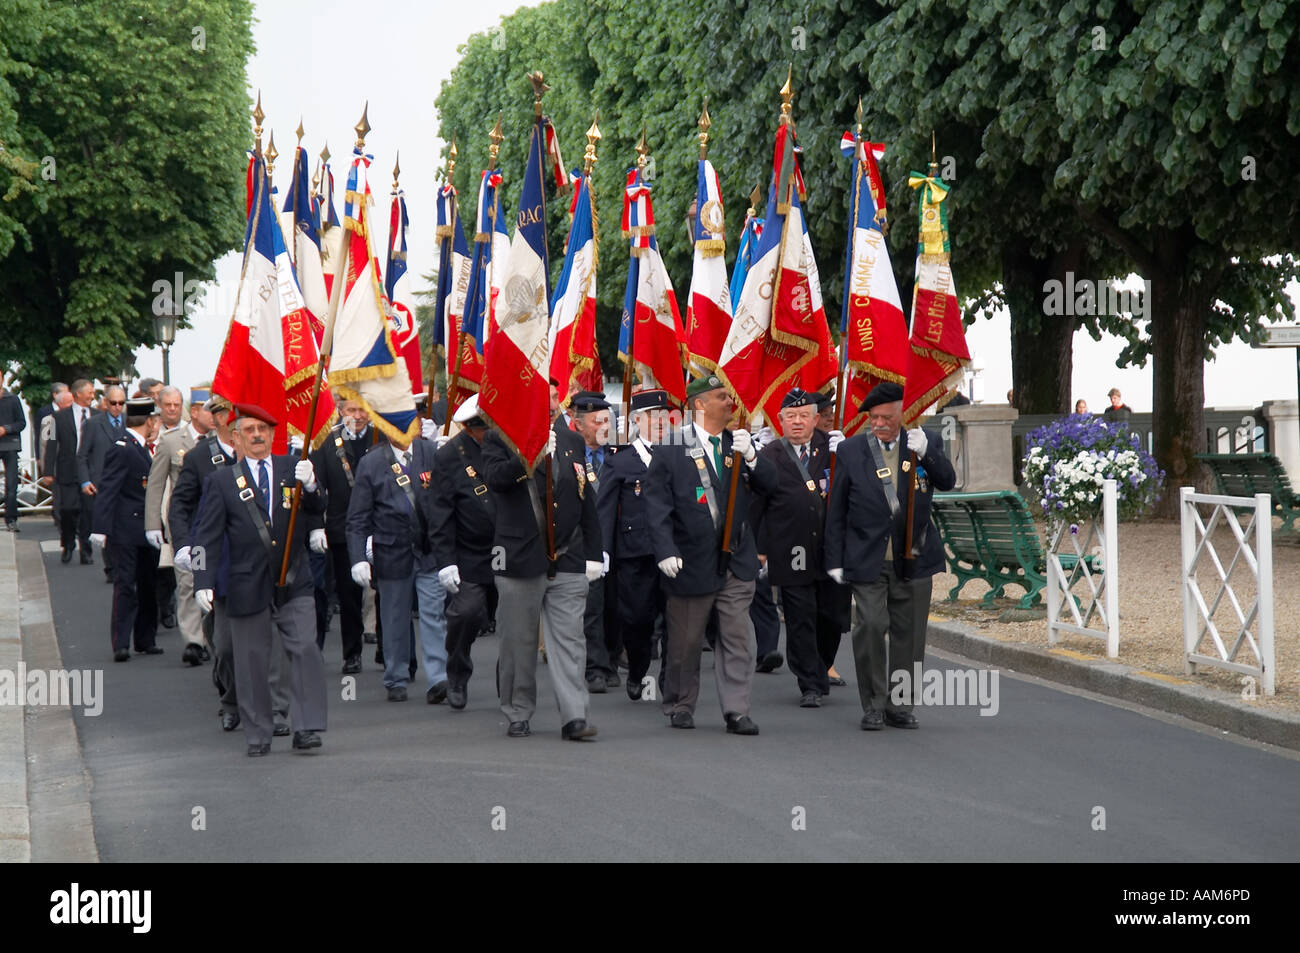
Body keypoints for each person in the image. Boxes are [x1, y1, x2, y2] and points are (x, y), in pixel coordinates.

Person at [191, 403, 328, 757]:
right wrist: (203, 580)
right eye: (249, 430)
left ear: (272, 435)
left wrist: (311, 485)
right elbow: (207, 535)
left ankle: (306, 726)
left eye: (263, 430)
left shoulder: (291, 469)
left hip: (293, 578)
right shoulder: (221, 481)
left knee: (305, 649)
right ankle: (258, 733)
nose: (257, 436)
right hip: (246, 581)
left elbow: (316, 509)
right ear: (235, 437)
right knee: (251, 660)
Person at [643, 374, 778, 735]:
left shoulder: (738, 444)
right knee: (686, 641)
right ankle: (680, 703)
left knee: (737, 637)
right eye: (721, 396)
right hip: (691, 561)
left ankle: (736, 709)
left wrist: (752, 456)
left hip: (736, 560)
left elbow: (773, 487)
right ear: (699, 404)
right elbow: (656, 505)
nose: (729, 401)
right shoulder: (672, 447)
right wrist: (665, 550)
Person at [824, 381, 956, 731]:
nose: (879, 424)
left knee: (909, 633)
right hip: (867, 556)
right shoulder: (852, 450)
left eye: (887, 417)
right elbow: (836, 508)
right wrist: (834, 559)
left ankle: (900, 705)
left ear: (903, 414)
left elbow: (948, 480)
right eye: (874, 418)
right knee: (868, 626)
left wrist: (929, 452)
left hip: (914, 554)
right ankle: (873, 704)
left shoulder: (925, 442)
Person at [172, 398, 292, 734]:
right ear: (232, 430)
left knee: (269, 644)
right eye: (243, 426)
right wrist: (190, 558)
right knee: (225, 647)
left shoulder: (274, 466)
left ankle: (273, 710)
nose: (254, 434)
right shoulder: (200, 459)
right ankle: (231, 700)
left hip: (259, 570)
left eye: (260, 428)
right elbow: (182, 509)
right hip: (221, 570)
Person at [481, 411, 603, 741]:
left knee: (571, 642)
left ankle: (575, 716)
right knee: (518, 641)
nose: (546, 404)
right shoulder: (497, 437)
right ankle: (518, 711)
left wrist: (594, 551)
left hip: (568, 554)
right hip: (519, 556)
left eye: (550, 397)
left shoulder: (572, 440)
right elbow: (495, 480)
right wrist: (528, 455)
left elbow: (584, 495)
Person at [750, 387, 849, 708]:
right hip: (789, 549)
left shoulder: (833, 449)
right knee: (799, 616)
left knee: (832, 616)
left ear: (816, 419)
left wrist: (848, 456)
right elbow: (758, 505)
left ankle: (821, 665)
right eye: (790, 416)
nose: (796, 422)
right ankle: (809, 681)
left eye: (803, 416)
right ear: (779, 420)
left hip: (832, 549)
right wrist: (759, 549)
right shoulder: (771, 456)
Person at [346, 418, 449, 704]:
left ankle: (439, 677)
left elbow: (445, 499)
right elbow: (357, 517)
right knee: (394, 617)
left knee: (433, 613)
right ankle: (396, 675)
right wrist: (358, 557)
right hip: (391, 549)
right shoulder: (372, 462)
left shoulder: (430, 452)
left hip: (428, 549)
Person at [596, 389, 673, 701]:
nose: (658, 422)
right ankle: (639, 670)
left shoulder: (679, 455)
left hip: (673, 553)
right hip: (634, 554)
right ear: (636, 421)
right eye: (650, 417)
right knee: (638, 620)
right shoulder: (620, 461)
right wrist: (603, 552)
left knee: (675, 622)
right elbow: (604, 509)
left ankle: (670, 680)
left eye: (663, 416)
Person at [431, 394, 497, 711]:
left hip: (510, 549)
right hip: (470, 554)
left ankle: (510, 685)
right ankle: (457, 675)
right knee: (466, 613)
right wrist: (446, 562)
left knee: (514, 624)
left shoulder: (508, 447)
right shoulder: (448, 456)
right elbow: (440, 512)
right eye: (485, 428)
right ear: (471, 428)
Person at [89, 397, 163, 661]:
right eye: (155, 420)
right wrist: (101, 527)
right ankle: (121, 642)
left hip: (146, 529)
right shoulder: (123, 448)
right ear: (149, 421)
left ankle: (145, 639)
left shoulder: (141, 447)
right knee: (126, 586)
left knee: (147, 585)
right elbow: (108, 488)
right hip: (126, 529)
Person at [145, 388, 213, 666]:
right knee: (188, 581)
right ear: (195, 412)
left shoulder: (227, 442)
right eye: (209, 409)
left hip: (217, 523)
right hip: (188, 523)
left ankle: (212, 636)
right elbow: (157, 483)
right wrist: (153, 524)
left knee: (213, 581)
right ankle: (194, 641)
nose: (215, 415)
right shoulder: (174, 442)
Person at [310, 394, 374, 675]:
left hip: (380, 528)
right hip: (342, 529)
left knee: (385, 592)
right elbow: (316, 490)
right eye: (351, 409)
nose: (357, 415)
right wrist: (317, 525)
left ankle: (388, 647)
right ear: (341, 410)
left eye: (362, 410)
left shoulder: (381, 438)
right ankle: (352, 653)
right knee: (348, 596)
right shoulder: (327, 442)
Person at [570, 390, 621, 693]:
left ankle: (613, 660)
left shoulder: (618, 455)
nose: (604, 426)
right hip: (584, 543)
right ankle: (595, 668)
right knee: (591, 607)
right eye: (597, 421)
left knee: (616, 607)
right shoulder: (570, 455)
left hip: (618, 542)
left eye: (607, 420)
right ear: (578, 425)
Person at [44, 379, 99, 565]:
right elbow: (51, 446)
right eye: (89, 392)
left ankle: (86, 550)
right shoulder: (58, 417)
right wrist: (47, 470)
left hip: (90, 471)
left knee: (88, 512)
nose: (93, 396)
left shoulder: (98, 416)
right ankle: (68, 545)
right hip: (67, 470)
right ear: (78, 395)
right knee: (67, 510)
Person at [78, 383, 128, 583]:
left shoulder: (129, 421)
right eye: (113, 402)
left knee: (123, 526)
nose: (117, 407)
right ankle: (111, 567)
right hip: (102, 484)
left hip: (126, 482)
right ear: (105, 403)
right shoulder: (93, 424)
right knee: (108, 526)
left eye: (121, 403)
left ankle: (123, 565)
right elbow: (82, 456)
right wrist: (85, 481)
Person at [0, 377, 26, 532]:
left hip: (10, 445)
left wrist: (6, 429)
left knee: (11, 485)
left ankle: (11, 519)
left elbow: (21, 423)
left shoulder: (13, 399)